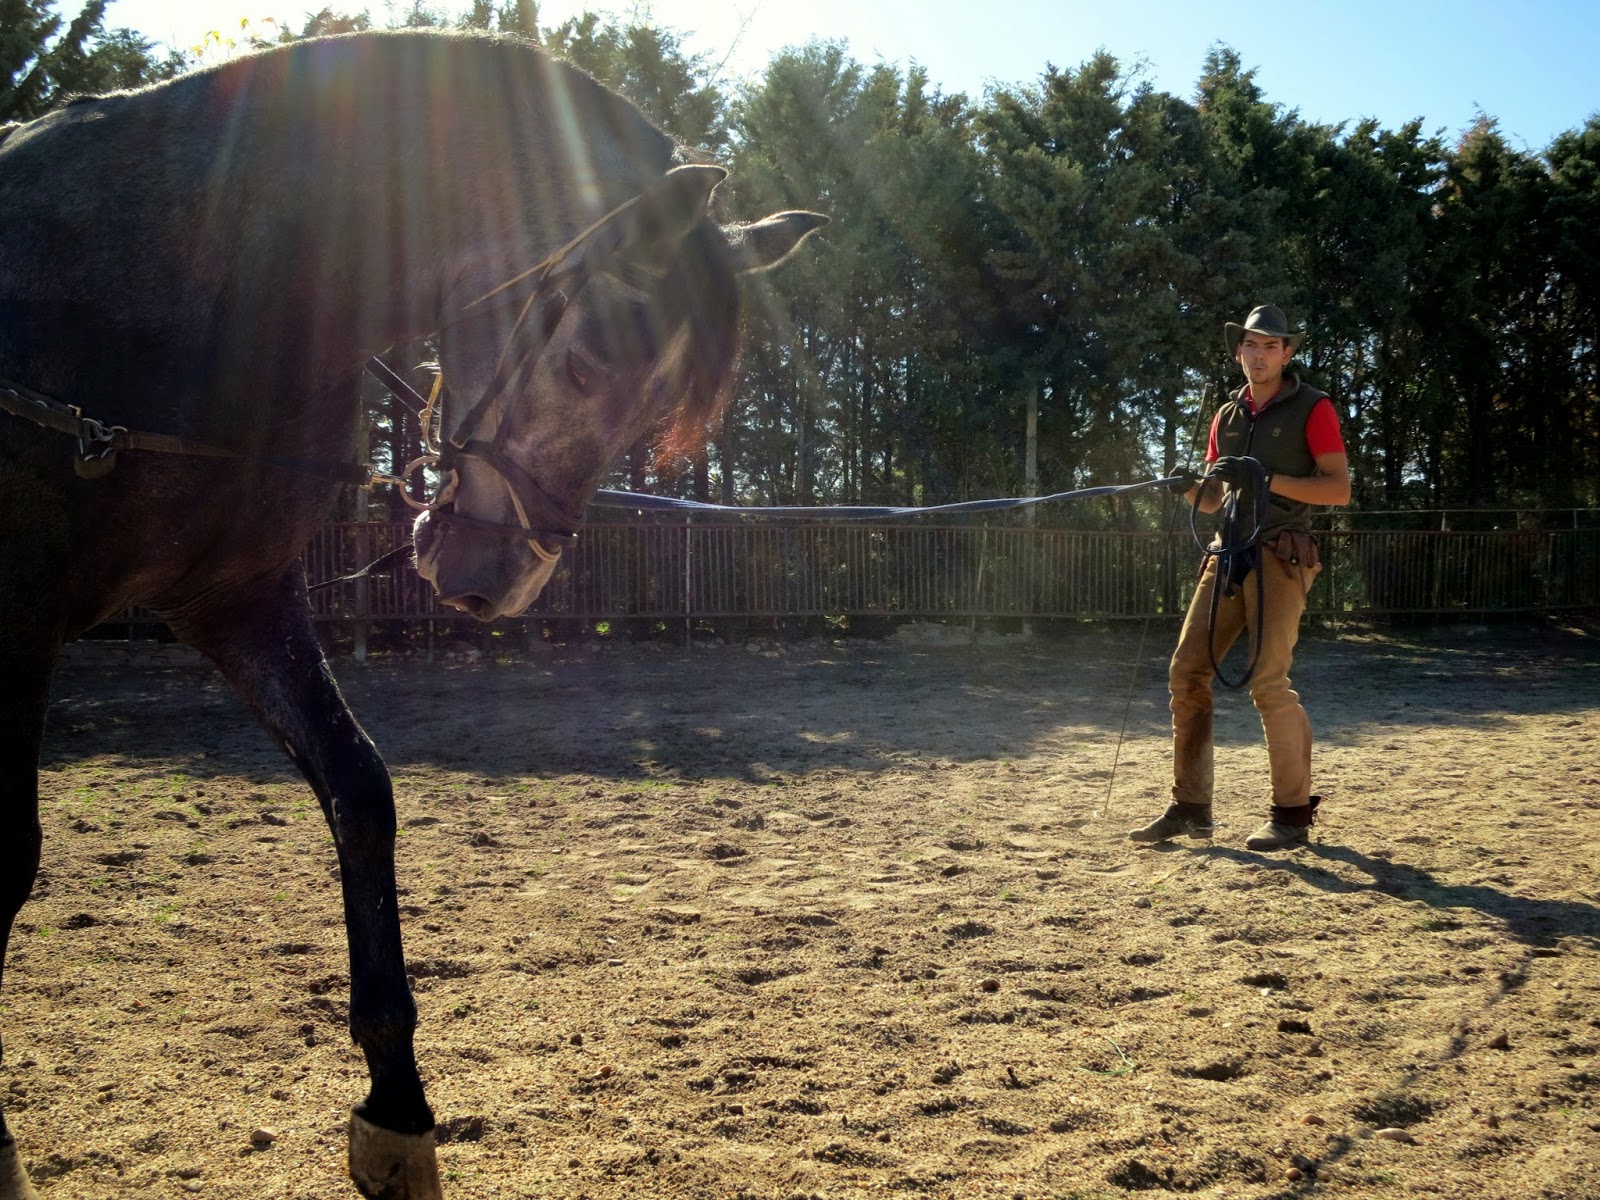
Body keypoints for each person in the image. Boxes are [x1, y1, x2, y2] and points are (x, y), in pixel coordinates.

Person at [1130, 304, 1351, 850]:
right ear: (1238, 353)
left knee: (1269, 682)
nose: (1259, 355)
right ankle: (1190, 807)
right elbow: (1211, 501)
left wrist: (1267, 476)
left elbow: (1338, 488)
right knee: (1186, 673)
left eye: (1270, 346)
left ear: (1287, 353)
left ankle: (1292, 815)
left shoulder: (1312, 407)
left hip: (1280, 552)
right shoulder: (1225, 417)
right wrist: (1186, 485)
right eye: (1250, 346)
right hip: (1227, 553)